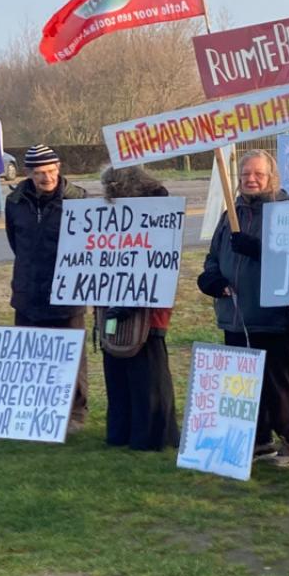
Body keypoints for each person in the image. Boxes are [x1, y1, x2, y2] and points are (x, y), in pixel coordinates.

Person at [196, 149, 289, 467]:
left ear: (272, 176)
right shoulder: (230, 212)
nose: (251, 180)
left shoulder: (287, 212)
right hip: (234, 312)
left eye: (258, 174)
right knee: (243, 383)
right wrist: (212, 279)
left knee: (277, 382)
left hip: (273, 315)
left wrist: (259, 250)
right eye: (245, 175)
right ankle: (258, 438)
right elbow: (212, 256)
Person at [5, 145, 89, 431]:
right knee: (31, 356)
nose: (47, 178)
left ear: (59, 167)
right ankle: (36, 411)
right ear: (28, 173)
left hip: (68, 293)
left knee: (72, 357)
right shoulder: (14, 202)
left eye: (52, 171)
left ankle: (75, 414)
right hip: (28, 292)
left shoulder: (79, 200)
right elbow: (15, 242)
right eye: (40, 173)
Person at [96, 165, 179, 451]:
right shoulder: (114, 210)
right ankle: (123, 431)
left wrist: (131, 301)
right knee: (119, 372)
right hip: (113, 297)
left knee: (148, 375)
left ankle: (150, 434)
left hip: (148, 308)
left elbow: (158, 260)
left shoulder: (158, 204)